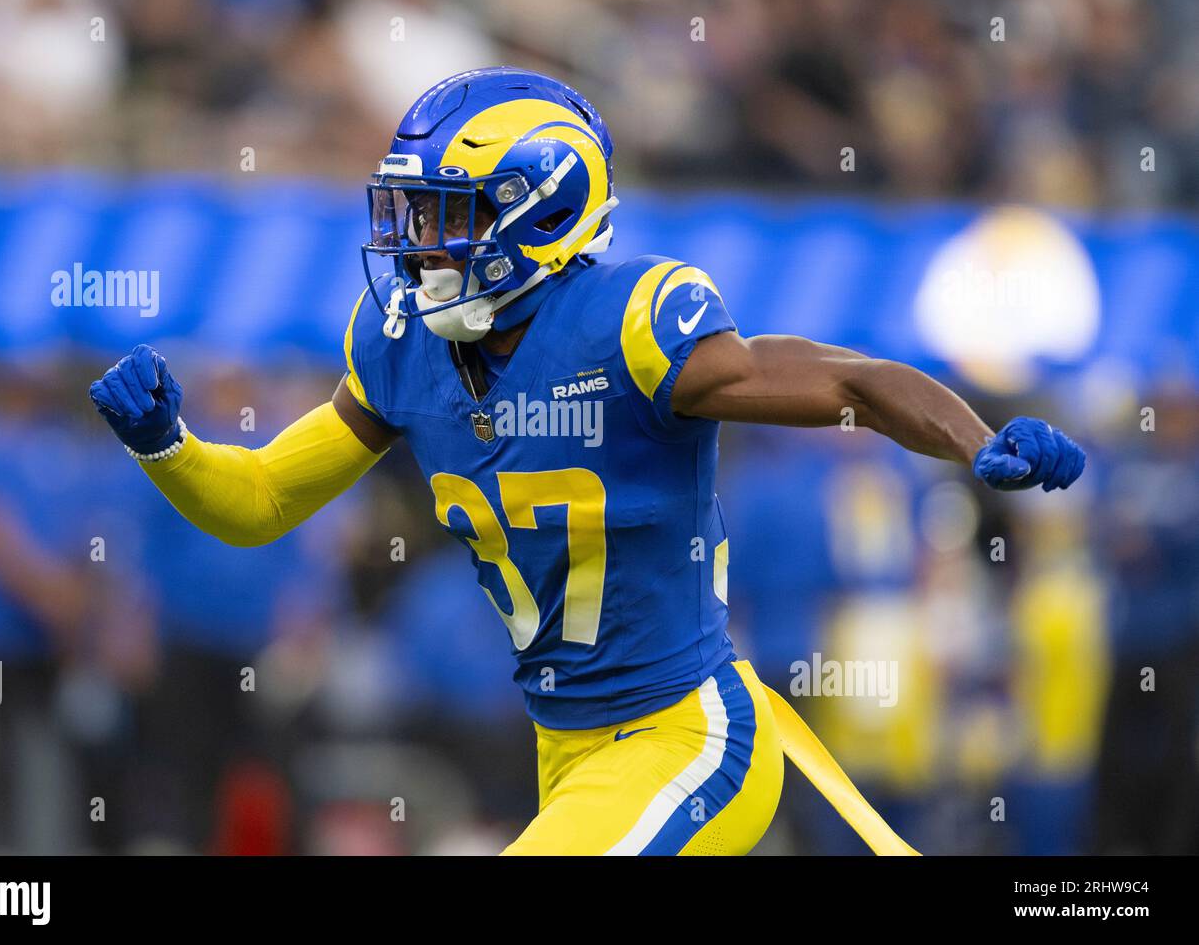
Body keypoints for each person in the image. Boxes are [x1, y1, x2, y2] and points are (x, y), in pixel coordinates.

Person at [90, 67, 1085, 856]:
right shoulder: (401, 342)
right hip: (562, 750)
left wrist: (973, 440)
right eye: (412, 215)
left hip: (687, 737)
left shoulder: (631, 323)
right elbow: (261, 498)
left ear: (543, 209)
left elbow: (851, 381)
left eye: (449, 215)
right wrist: (165, 445)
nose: (416, 248)